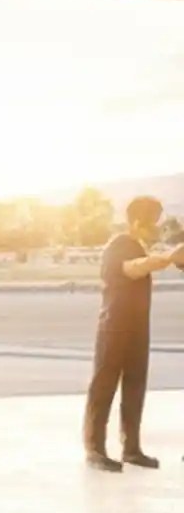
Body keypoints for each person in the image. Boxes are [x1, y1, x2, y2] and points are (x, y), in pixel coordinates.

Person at [82, 195, 184, 472]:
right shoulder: (119, 245)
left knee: (135, 385)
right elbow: (132, 269)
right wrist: (165, 258)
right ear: (139, 220)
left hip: (138, 326)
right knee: (104, 385)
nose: (157, 227)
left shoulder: (138, 246)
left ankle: (131, 448)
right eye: (154, 221)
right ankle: (95, 449)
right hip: (114, 324)